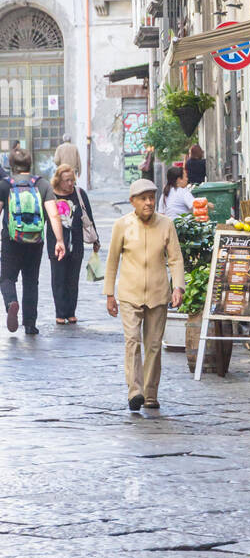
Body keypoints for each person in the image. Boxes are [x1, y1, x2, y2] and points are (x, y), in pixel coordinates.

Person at [104, 178, 185, 411]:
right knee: (132, 342)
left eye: (151, 198)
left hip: (159, 293)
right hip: (130, 293)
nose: (149, 203)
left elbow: (175, 258)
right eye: (143, 199)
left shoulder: (166, 224)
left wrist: (178, 287)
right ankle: (135, 392)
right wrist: (110, 294)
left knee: (154, 345)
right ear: (133, 202)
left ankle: (150, 394)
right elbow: (112, 262)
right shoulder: (122, 225)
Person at [0, 148, 66, 336]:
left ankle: (11, 302)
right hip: (35, 241)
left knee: (7, 278)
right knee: (31, 282)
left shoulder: (5, 185)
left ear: (11, 166)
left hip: (11, 241)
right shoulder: (42, 184)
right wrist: (59, 240)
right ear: (31, 163)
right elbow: (53, 214)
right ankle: (30, 324)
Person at [48, 164, 99, 325]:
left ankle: (71, 312)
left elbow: (88, 216)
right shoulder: (50, 195)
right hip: (56, 242)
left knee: (72, 278)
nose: (70, 183)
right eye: (66, 180)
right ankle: (60, 312)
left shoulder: (79, 193)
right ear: (58, 181)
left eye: (72, 180)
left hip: (76, 242)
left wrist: (96, 239)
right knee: (58, 277)